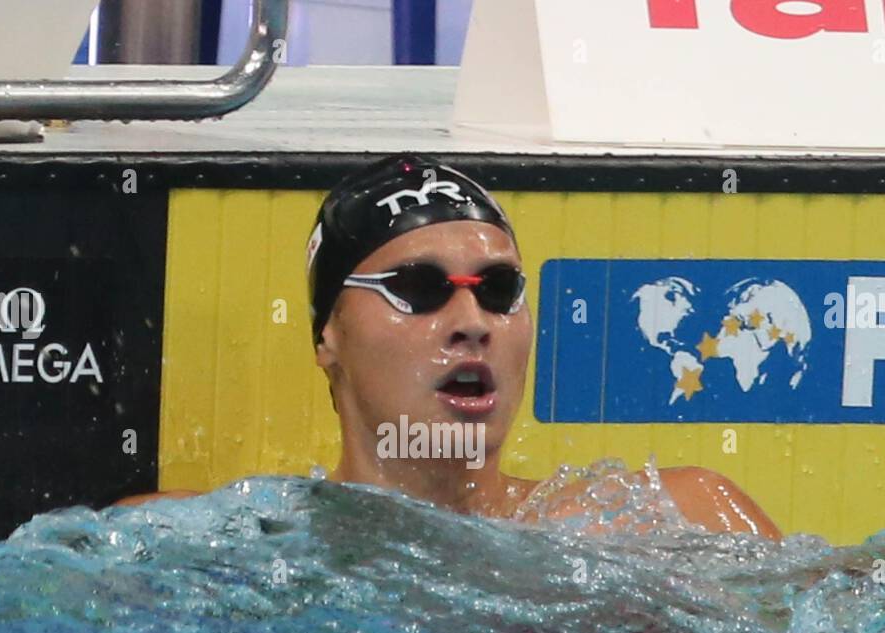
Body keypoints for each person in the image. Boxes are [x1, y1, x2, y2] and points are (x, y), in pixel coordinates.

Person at [120, 154, 780, 540]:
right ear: (329, 336)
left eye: (498, 289)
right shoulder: (205, 540)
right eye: (418, 287)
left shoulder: (677, 520)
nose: (473, 321)